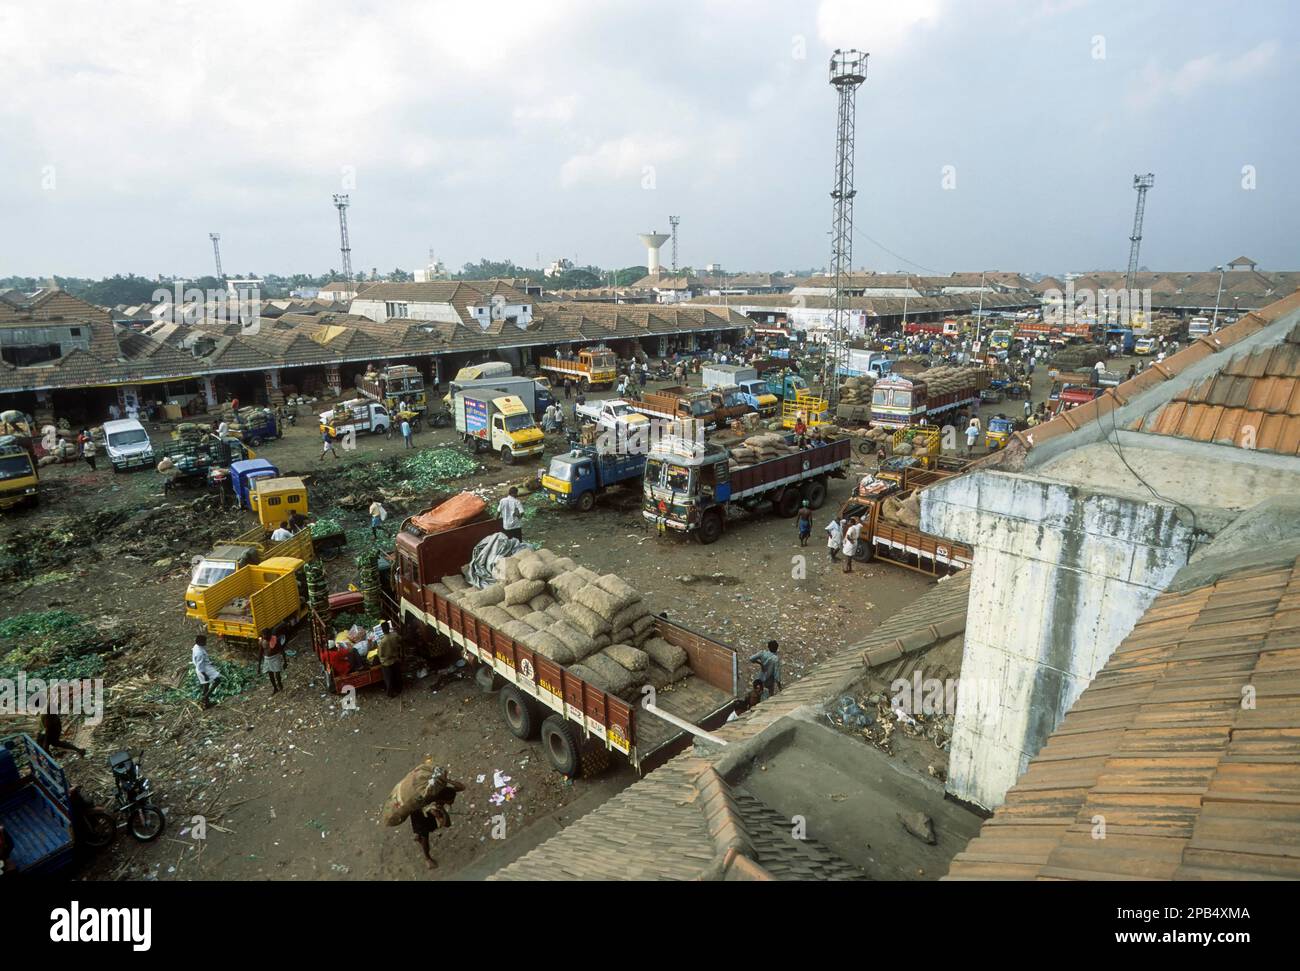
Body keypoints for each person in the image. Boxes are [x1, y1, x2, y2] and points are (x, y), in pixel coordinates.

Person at [411, 772, 466, 869]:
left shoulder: (441, 791)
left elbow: (462, 787)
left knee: (423, 830)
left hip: (421, 810)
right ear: (442, 800)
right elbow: (446, 824)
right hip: (420, 815)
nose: (451, 803)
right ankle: (427, 858)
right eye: (449, 802)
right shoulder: (434, 808)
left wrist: (447, 780)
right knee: (425, 836)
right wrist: (443, 811)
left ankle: (418, 835)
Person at [192, 634, 221, 709]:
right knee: (217, 680)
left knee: (206, 685)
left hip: (203, 667)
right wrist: (205, 675)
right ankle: (204, 698)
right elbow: (200, 666)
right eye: (204, 641)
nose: (206, 642)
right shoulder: (199, 653)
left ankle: (206, 703)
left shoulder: (196, 646)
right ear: (200, 642)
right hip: (203, 669)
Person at [378, 621, 402, 697]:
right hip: (395, 659)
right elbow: (400, 640)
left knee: (388, 679)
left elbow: (380, 654)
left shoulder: (382, 641)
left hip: (386, 662)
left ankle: (390, 693)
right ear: (389, 628)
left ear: (382, 630)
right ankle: (399, 689)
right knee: (397, 676)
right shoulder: (395, 635)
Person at [259, 628, 285, 695]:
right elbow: (260, 653)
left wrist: (285, 661)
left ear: (270, 635)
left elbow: (281, 650)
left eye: (266, 635)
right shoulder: (261, 642)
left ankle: (280, 684)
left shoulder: (275, 640)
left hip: (275, 657)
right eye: (264, 635)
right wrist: (259, 666)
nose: (265, 637)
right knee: (270, 674)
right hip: (267, 659)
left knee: (277, 674)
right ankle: (275, 688)